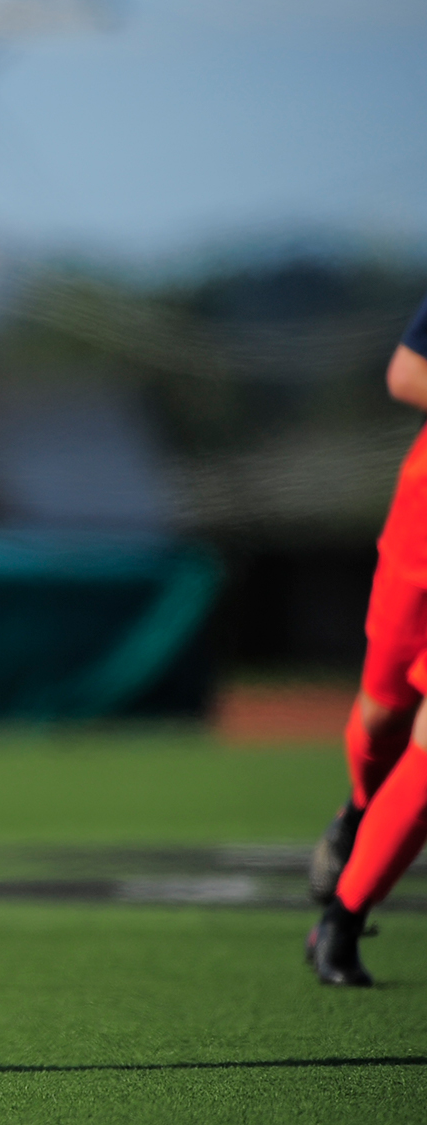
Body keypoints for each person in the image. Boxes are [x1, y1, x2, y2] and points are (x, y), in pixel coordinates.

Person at [306, 292, 427, 986]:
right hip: (420, 535)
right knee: (383, 710)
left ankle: (342, 923)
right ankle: (357, 812)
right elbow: (407, 372)